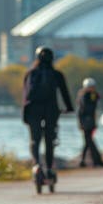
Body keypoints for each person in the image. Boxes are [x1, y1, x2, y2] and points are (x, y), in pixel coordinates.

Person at [22, 47, 74, 181]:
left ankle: (37, 165)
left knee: (35, 139)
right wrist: (69, 108)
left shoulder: (30, 73)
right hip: (51, 109)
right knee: (49, 140)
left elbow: (25, 94)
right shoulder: (57, 74)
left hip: (33, 109)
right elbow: (64, 93)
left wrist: (25, 112)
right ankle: (49, 169)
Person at [77, 78, 103, 167]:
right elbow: (81, 111)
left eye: (93, 87)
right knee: (89, 141)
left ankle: (83, 161)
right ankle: (97, 161)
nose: (92, 88)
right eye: (90, 87)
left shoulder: (92, 95)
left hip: (91, 122)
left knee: (88, 141)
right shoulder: (84, 96)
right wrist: (80, 123)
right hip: (86, 122)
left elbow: (97, 98)